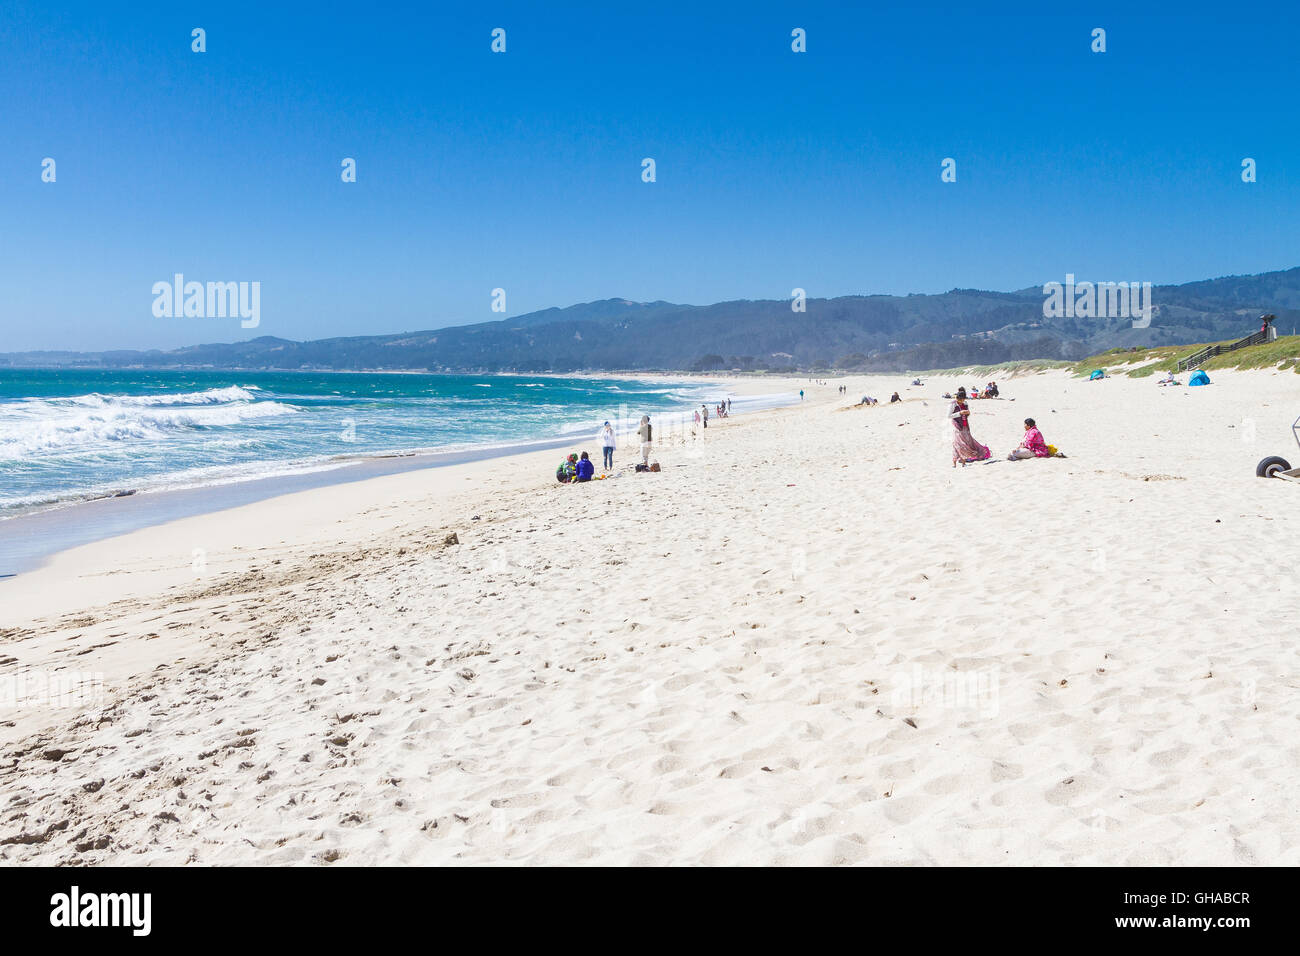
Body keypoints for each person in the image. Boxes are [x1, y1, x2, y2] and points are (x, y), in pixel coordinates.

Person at [949, 387, 990, 466]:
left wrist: (967, 413)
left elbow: (967, 414)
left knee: (967, 442)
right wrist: (960, 413)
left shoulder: (965, 403)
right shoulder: (953, 404)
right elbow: (949, 415)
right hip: (957, 425)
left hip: (965, 425)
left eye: (963, 400)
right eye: (961, 400)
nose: (962, 401)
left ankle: (963, 461)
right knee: (958, 443)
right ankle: (955, 461)